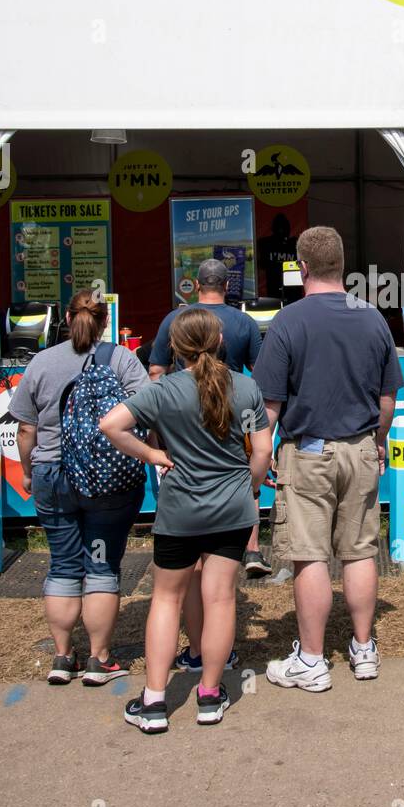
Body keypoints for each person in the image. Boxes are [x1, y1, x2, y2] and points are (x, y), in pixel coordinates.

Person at [101, 308, 272, 732]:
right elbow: (263, 451)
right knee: (220, 601)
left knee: (166, 600)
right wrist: (249, 488)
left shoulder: (161, 391)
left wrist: (155, 455)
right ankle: (210, 695)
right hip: (232, 509)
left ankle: (155, 701)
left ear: (175, 348)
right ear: (219, 342)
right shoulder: (247, 388)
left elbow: (111, 425)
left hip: (180, 511)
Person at [254, 226, 403, 691]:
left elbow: (269, 406)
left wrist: (263, 455)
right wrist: (375, 441)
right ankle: (363, 649)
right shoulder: (373, 317)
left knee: (309, 554)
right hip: (360, 447)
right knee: (360, 551)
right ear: (342, 264)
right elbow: (387, 400)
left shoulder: (288, 321)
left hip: (308, 450)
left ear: (302, 268)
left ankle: (312, 660)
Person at [10, 289, 148, 687]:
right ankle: (99, 658)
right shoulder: (122, 360)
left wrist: (27, 471)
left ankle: (62, 655)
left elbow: (25, 429)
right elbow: (147, 411)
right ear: (105, 322)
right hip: (106, 481)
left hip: (52, 475)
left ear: (67, 320)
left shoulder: (41, 362)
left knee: (63, 564)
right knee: (101, 566)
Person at [152, 257, 270, 604]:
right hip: (233, 413)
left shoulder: (175, 319)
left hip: (182, 417)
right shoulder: (245, 321)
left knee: (185, 482)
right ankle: (250, 548)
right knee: (242, 477)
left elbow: (156, 369)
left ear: (197, 285)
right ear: (227, 286)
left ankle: (192, 561)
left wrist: (158, 429)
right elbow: (258, 374)